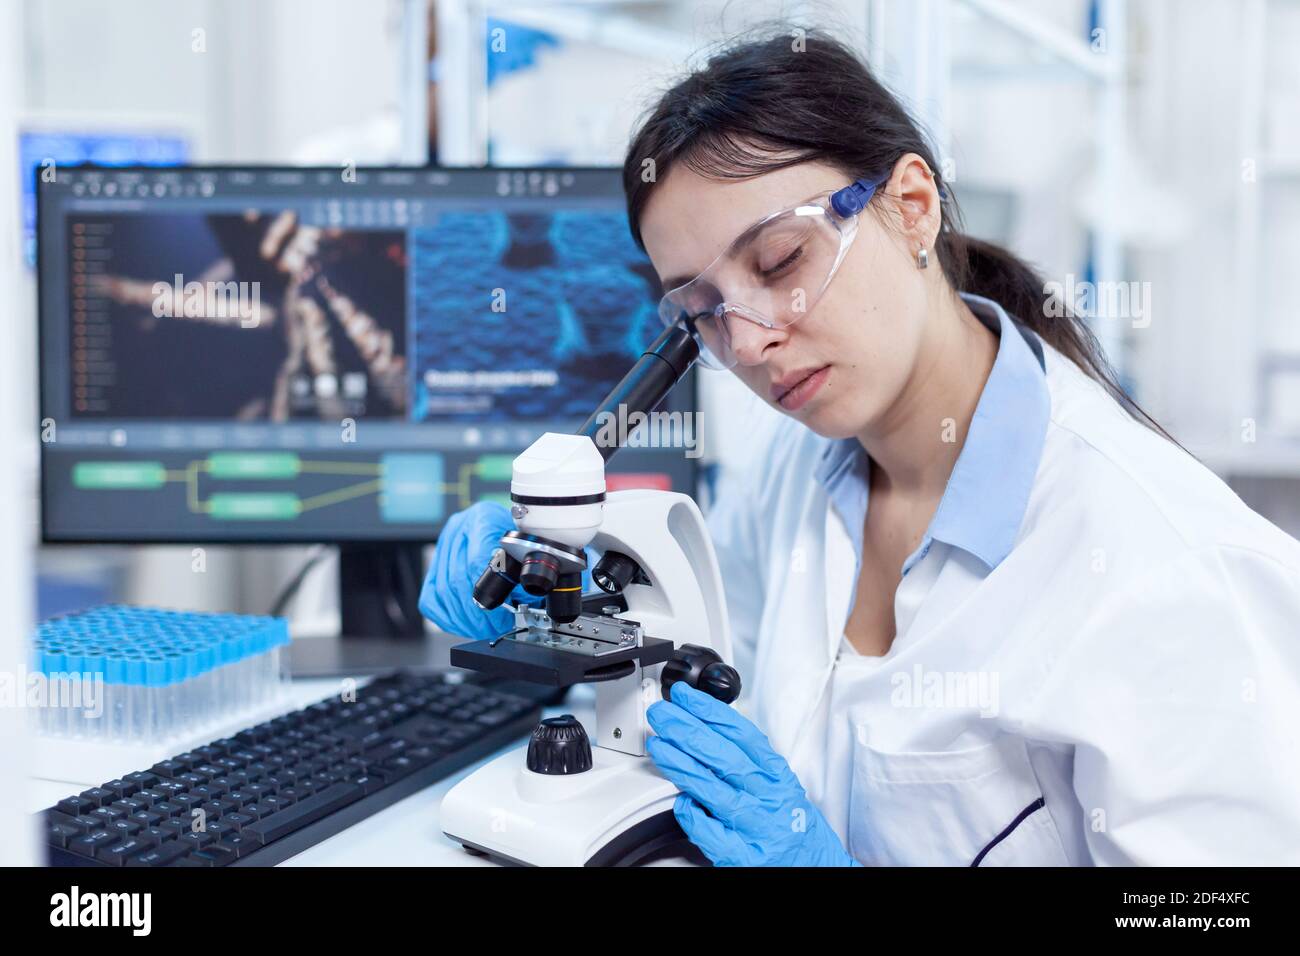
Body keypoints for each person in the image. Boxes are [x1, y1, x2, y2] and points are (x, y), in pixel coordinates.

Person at [420, 29, 1300, 866]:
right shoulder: (795, 468)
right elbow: (700, 660)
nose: (751, 341)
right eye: (704, 313)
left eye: (778, 262)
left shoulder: (1171, 567)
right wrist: (552, 596)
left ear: (911, 208)